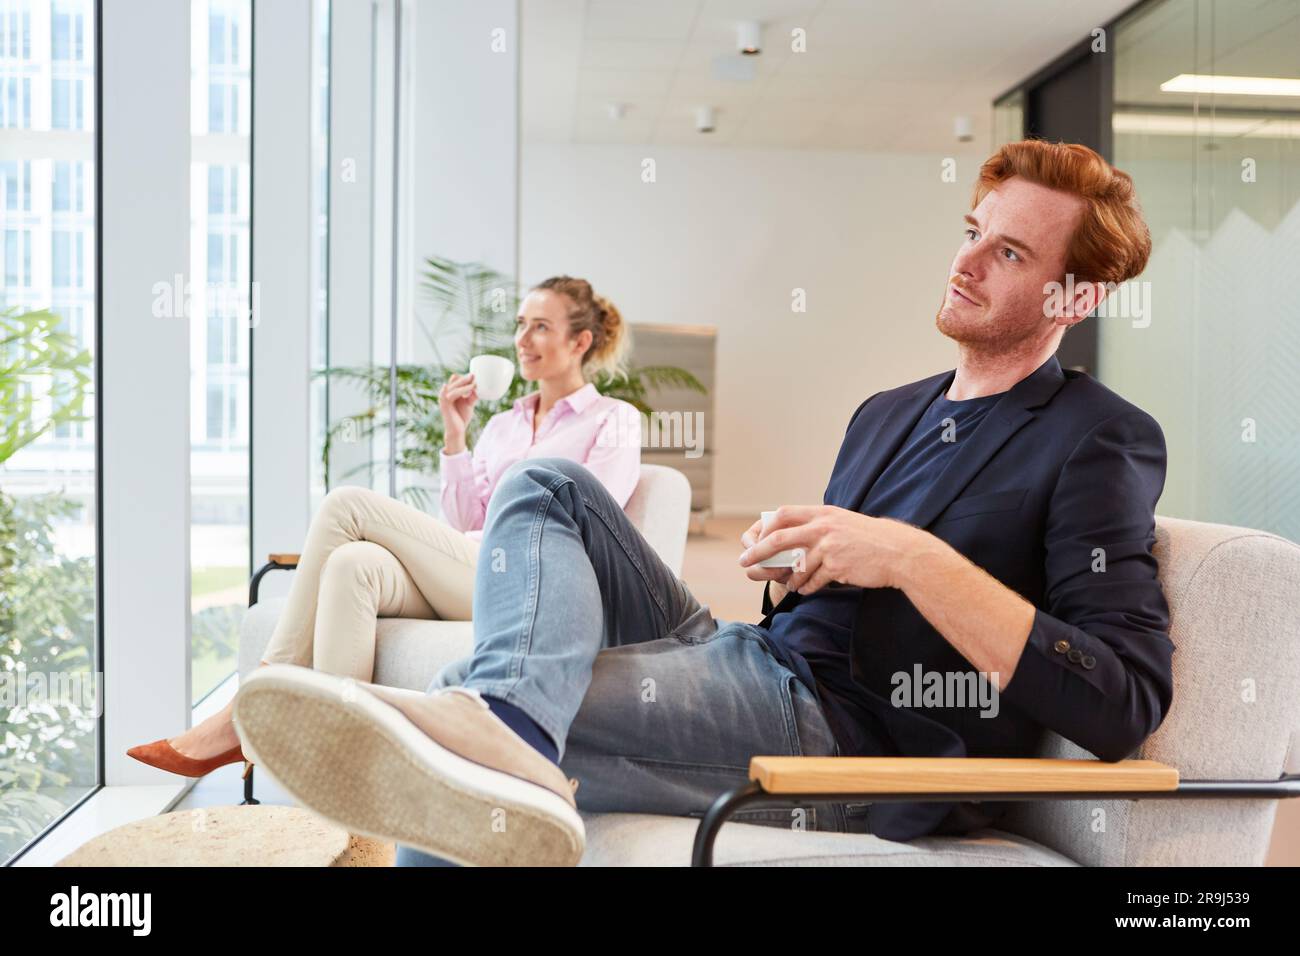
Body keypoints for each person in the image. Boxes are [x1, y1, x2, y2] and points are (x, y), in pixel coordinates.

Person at [232, 139, 1174, 866]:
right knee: (545, 483)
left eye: (1008, 252)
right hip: (753, 655)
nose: (966, 263)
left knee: (462, 719)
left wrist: (908, 558)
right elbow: (825, 601)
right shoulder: (889, 412)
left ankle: (505, 727)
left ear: (1075, 298)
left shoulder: (1096, 437)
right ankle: (510, 721)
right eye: (972, 232)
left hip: (848, 733)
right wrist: (795, 562)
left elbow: (1122, 700)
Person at [127, 276, 643, 780]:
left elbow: (590, 517)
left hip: (529, 579)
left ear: (580, 342)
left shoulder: (613, 419)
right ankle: (343, 773)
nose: (522, 339)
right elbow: (466, 521)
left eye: (540, 327)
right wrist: (456, 435)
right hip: (470, 568)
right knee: (352, 565)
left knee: (346, 505)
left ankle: (250, 704)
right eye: (520, 324)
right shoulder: (503, 424)